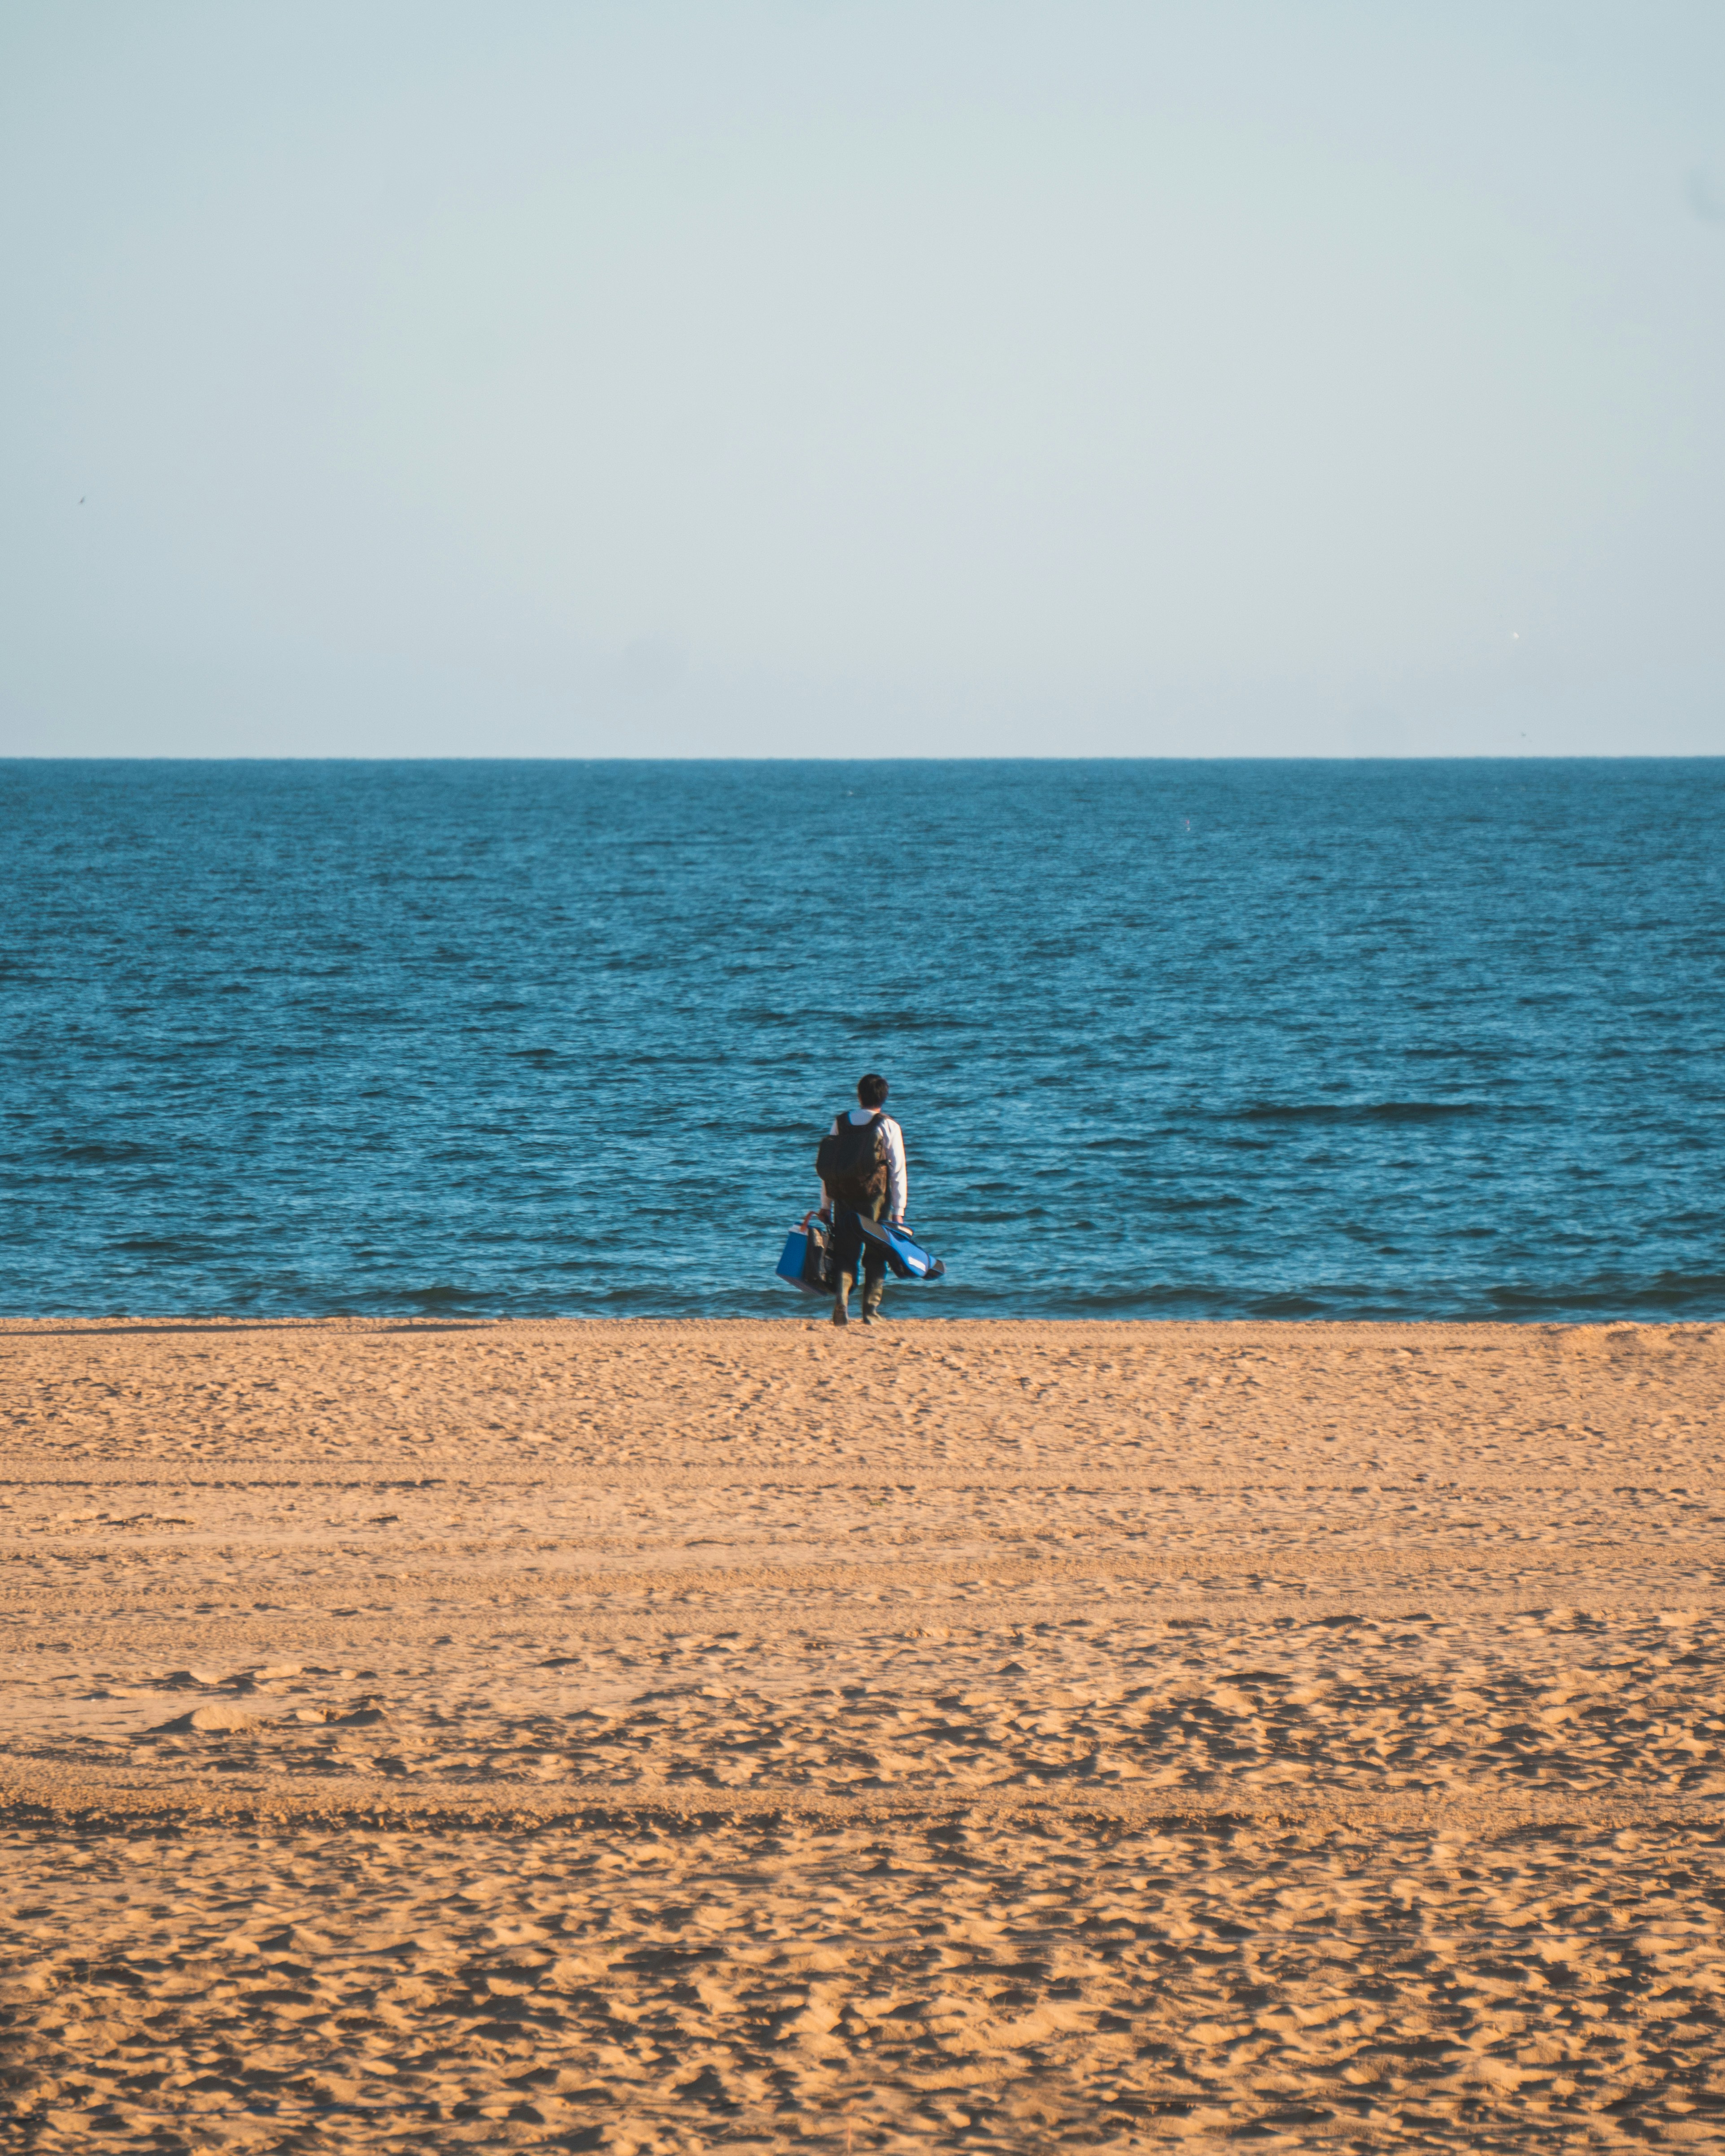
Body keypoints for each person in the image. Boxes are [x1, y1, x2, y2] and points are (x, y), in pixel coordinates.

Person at [816, 1072, 908, 1327]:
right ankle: (870, 1312)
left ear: (859, 1096)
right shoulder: (888, 1126)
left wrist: (825, 1206)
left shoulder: (840, 1123)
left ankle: (842, 1304)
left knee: (846, 1253)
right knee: (878, 1252)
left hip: (844, 1196)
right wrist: (898, 1211)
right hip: (876, 1199)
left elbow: (829, 1168)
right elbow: (898, 1172)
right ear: (884, 1097)